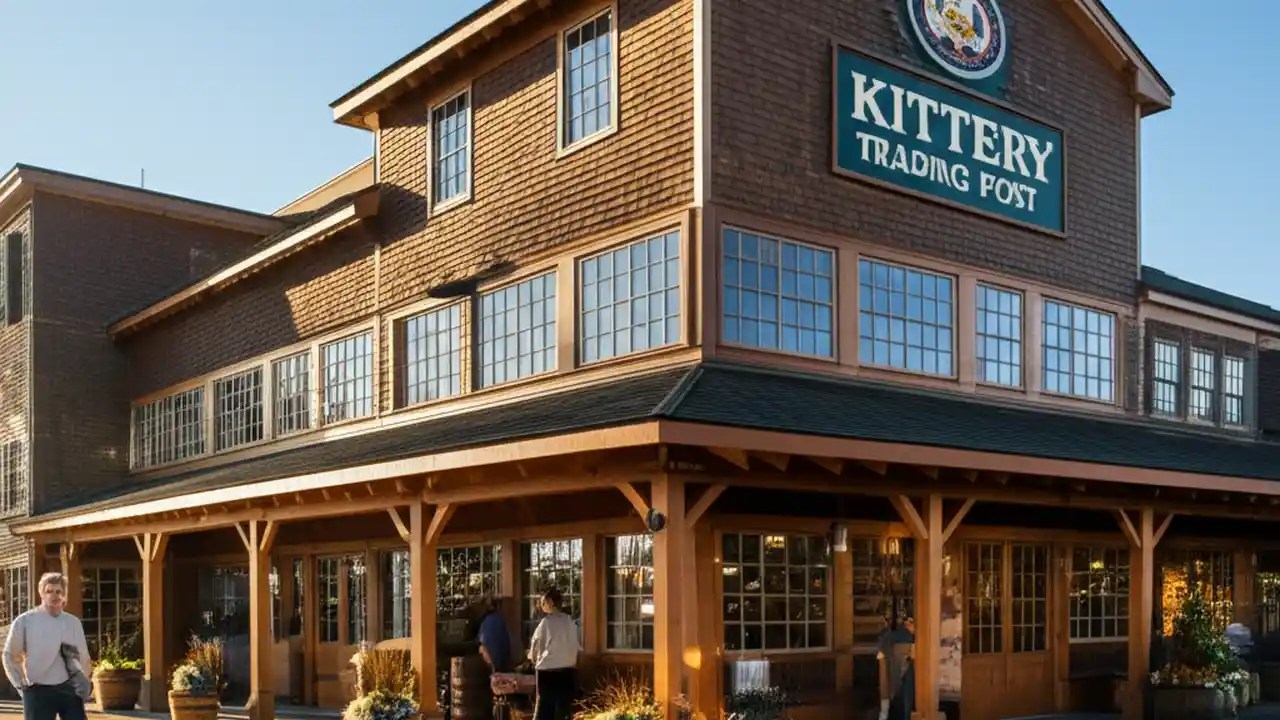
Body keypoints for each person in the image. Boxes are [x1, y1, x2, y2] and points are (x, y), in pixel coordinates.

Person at [3, 572, 93, 720]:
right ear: (41, 593)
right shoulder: (25, 621)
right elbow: (9, 654)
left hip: (69, 689)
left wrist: (83, 682)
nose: (54, 595)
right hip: (37, 690)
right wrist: (21, 684)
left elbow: (83, 656)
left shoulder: (73, 623)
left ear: (64, 594)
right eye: (49, 591)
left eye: (58, 591)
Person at [527, 589, 580, 720]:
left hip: (548, 671)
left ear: (550, 602)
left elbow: (537, 646)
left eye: (543, 602)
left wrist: (533, 658)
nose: (541, 605)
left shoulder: (546, 623)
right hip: (568, 670)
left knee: (544, 709)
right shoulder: (570, 622)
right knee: (563, 709)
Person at [477, 596, 512, 673]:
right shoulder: (500, 620)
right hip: (501, 660)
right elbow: (506, 642)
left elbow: (482, 644)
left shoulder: (486, 622)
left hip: (490, 660)